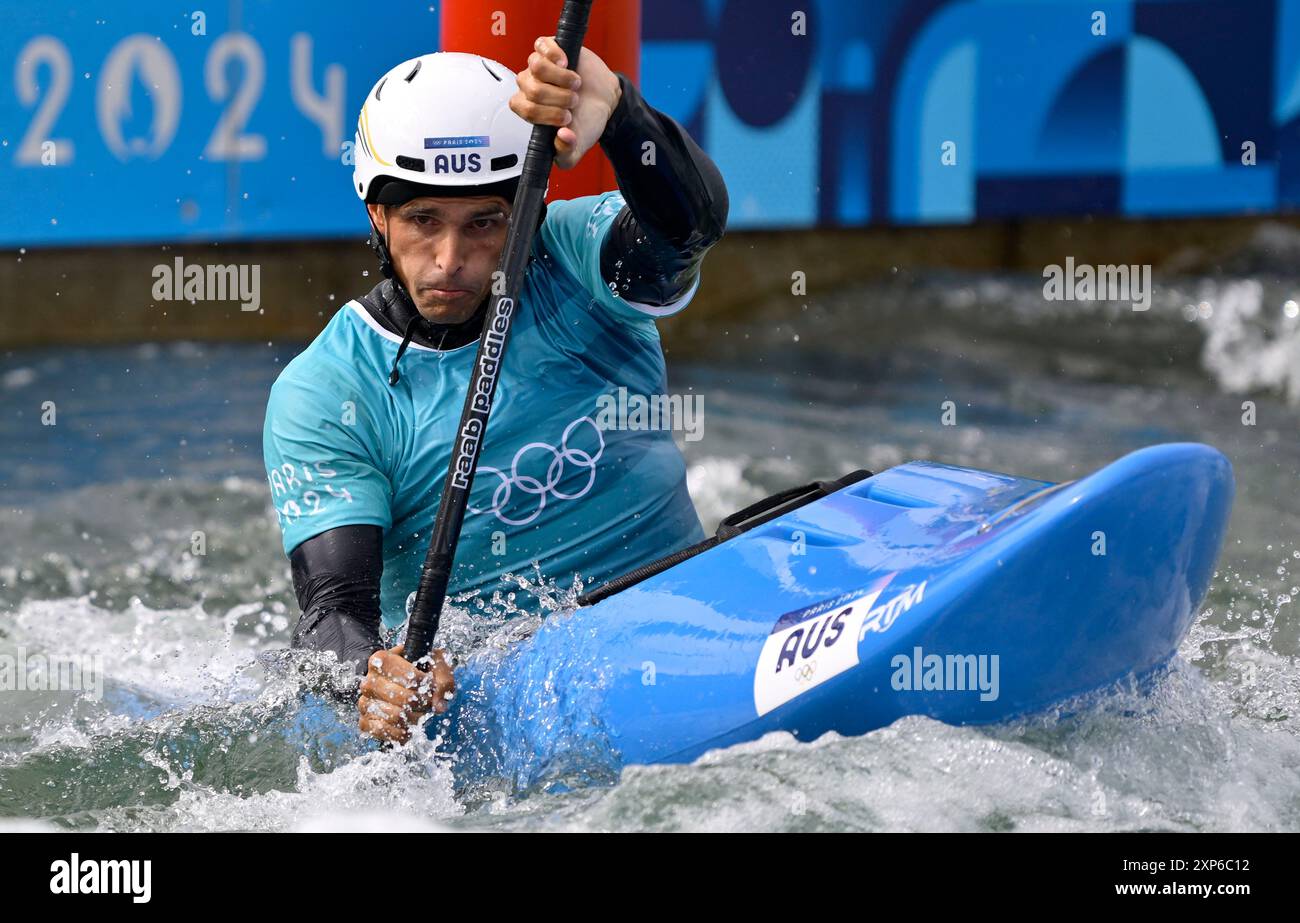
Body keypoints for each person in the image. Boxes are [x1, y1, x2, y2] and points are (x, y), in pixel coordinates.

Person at [263, 37, 729, 744]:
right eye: (424, 222)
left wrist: (624, 115)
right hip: (505, 697)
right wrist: (375, 678)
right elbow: (334, 614)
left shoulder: (580, 263)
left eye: (484, 223)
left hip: (687, 621)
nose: (451, 260)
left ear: (527, 212)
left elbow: (689, 229)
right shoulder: (326, 391)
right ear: (377, 216)